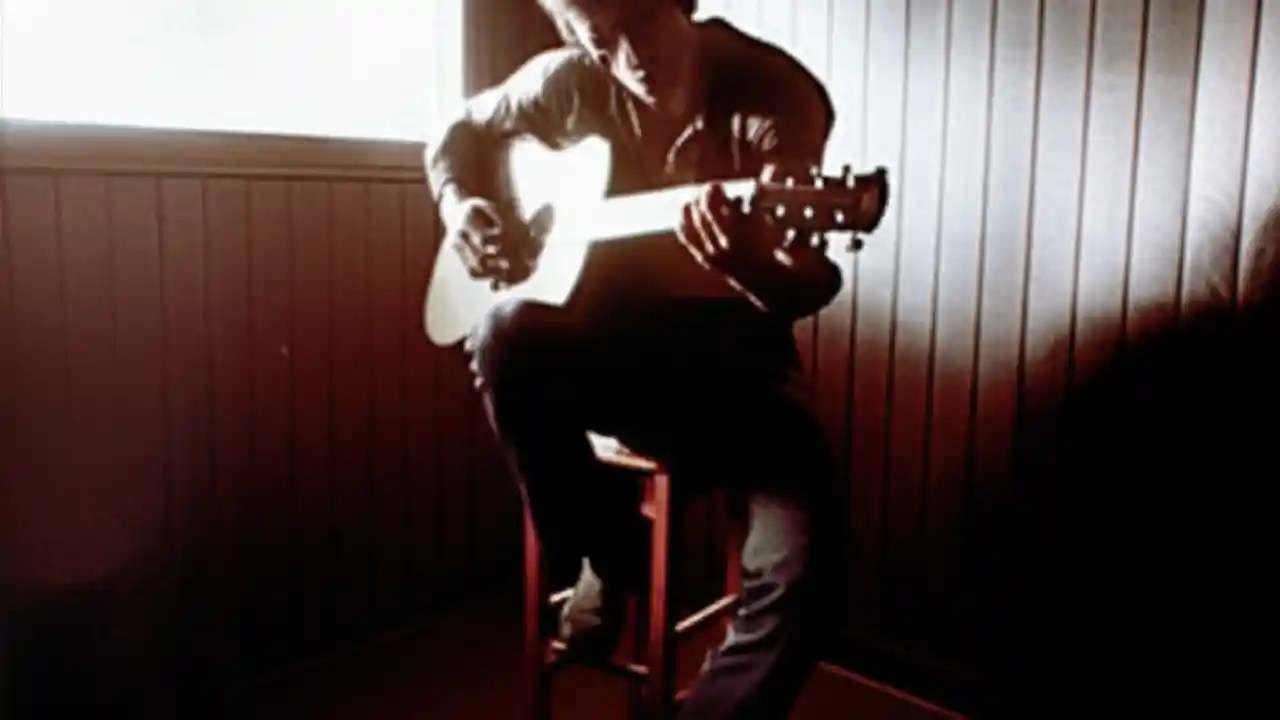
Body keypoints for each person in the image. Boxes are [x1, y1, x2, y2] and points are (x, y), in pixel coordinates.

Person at [424, 1, 849, 716]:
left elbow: (808, 280)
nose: (630, 58)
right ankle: (608, 553)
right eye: (602, 40)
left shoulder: (774, 95)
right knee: (501, 331)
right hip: (614, 347)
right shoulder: (567, 82)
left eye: (642, 25)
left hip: (736, 357)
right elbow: (457, 133)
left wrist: (749, 267)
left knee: (810, 549)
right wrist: (460, 202)